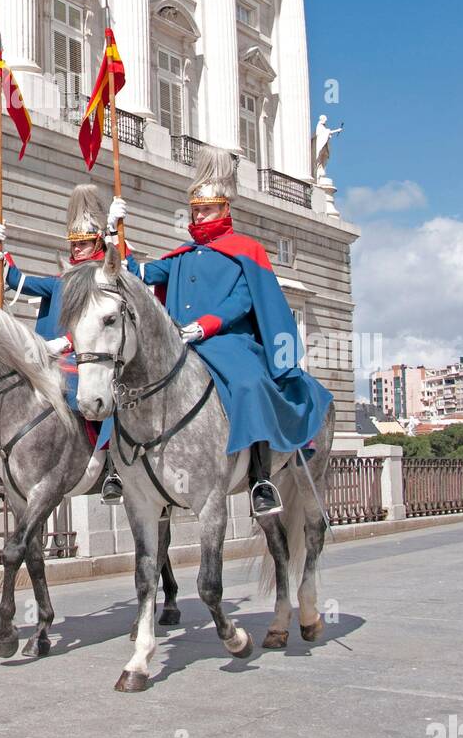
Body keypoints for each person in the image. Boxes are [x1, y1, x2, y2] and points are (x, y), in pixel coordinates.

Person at [121, 149, 333, 517]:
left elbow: (242, 301)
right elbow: (141, 277)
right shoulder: (182, 254)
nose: (198, 216)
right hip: (182, 343)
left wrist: (205, 326)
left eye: (205, 210)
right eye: (195, 211)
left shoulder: (245, 249)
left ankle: (260, 477)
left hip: (229, 342)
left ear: (224, 210)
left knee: (250, 384)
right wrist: (118, 242)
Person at [0, 184, 128, 505]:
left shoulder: (103, 279)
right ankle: (1, 457)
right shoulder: (63, 279)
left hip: (92, 358)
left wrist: (113, 234)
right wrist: (0, 250)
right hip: (55, 362)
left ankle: (113, 467)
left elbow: (98, 317)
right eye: (74, 244)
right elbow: (21, 282)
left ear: (95, 242)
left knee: (105, 396)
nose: (77, 250)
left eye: (82, 244)